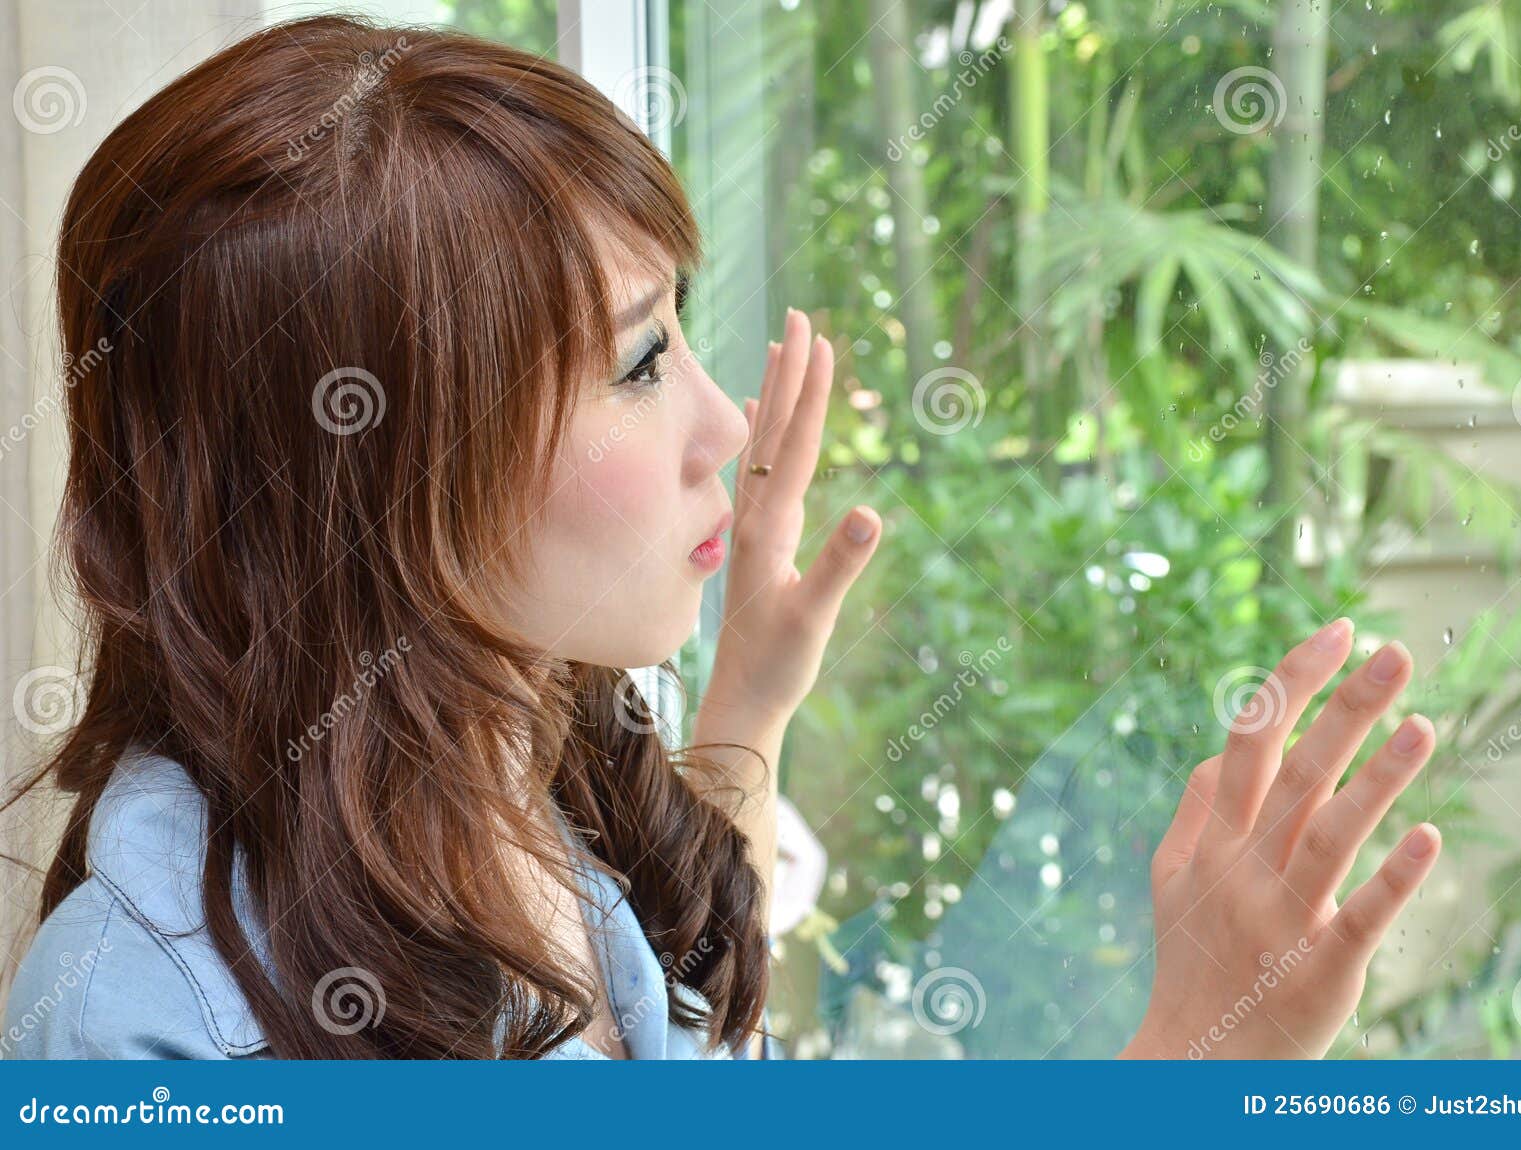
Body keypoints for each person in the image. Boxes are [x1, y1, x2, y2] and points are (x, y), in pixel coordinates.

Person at [0, 14, 1439, 1061]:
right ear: (374, 476)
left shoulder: (505, 781)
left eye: (679, 327)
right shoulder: (150, 1032)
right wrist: (1197, 1050)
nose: (730, 425)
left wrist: (748, 699)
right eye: (637, 364)